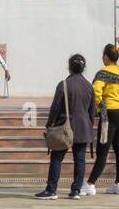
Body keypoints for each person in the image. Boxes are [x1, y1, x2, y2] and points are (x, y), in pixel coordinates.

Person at [82, 44, 119, 196]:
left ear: (106, 57)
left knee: (103, 150)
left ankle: (90, 184)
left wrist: (101, 104)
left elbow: (95, 90)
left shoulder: (103, 72)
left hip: (109, 114)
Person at [36, 53, 96, 200]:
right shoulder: (89, 86)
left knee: (57, 158)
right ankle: (75, 190)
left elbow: (55, 107)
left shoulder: (63, 84)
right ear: (83, 68)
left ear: (69, 67)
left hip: (64, 127)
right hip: (83, 128)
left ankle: (51, 190)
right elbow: (92, 111)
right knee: (80, 159)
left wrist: (49, 124)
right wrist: (88, 125)